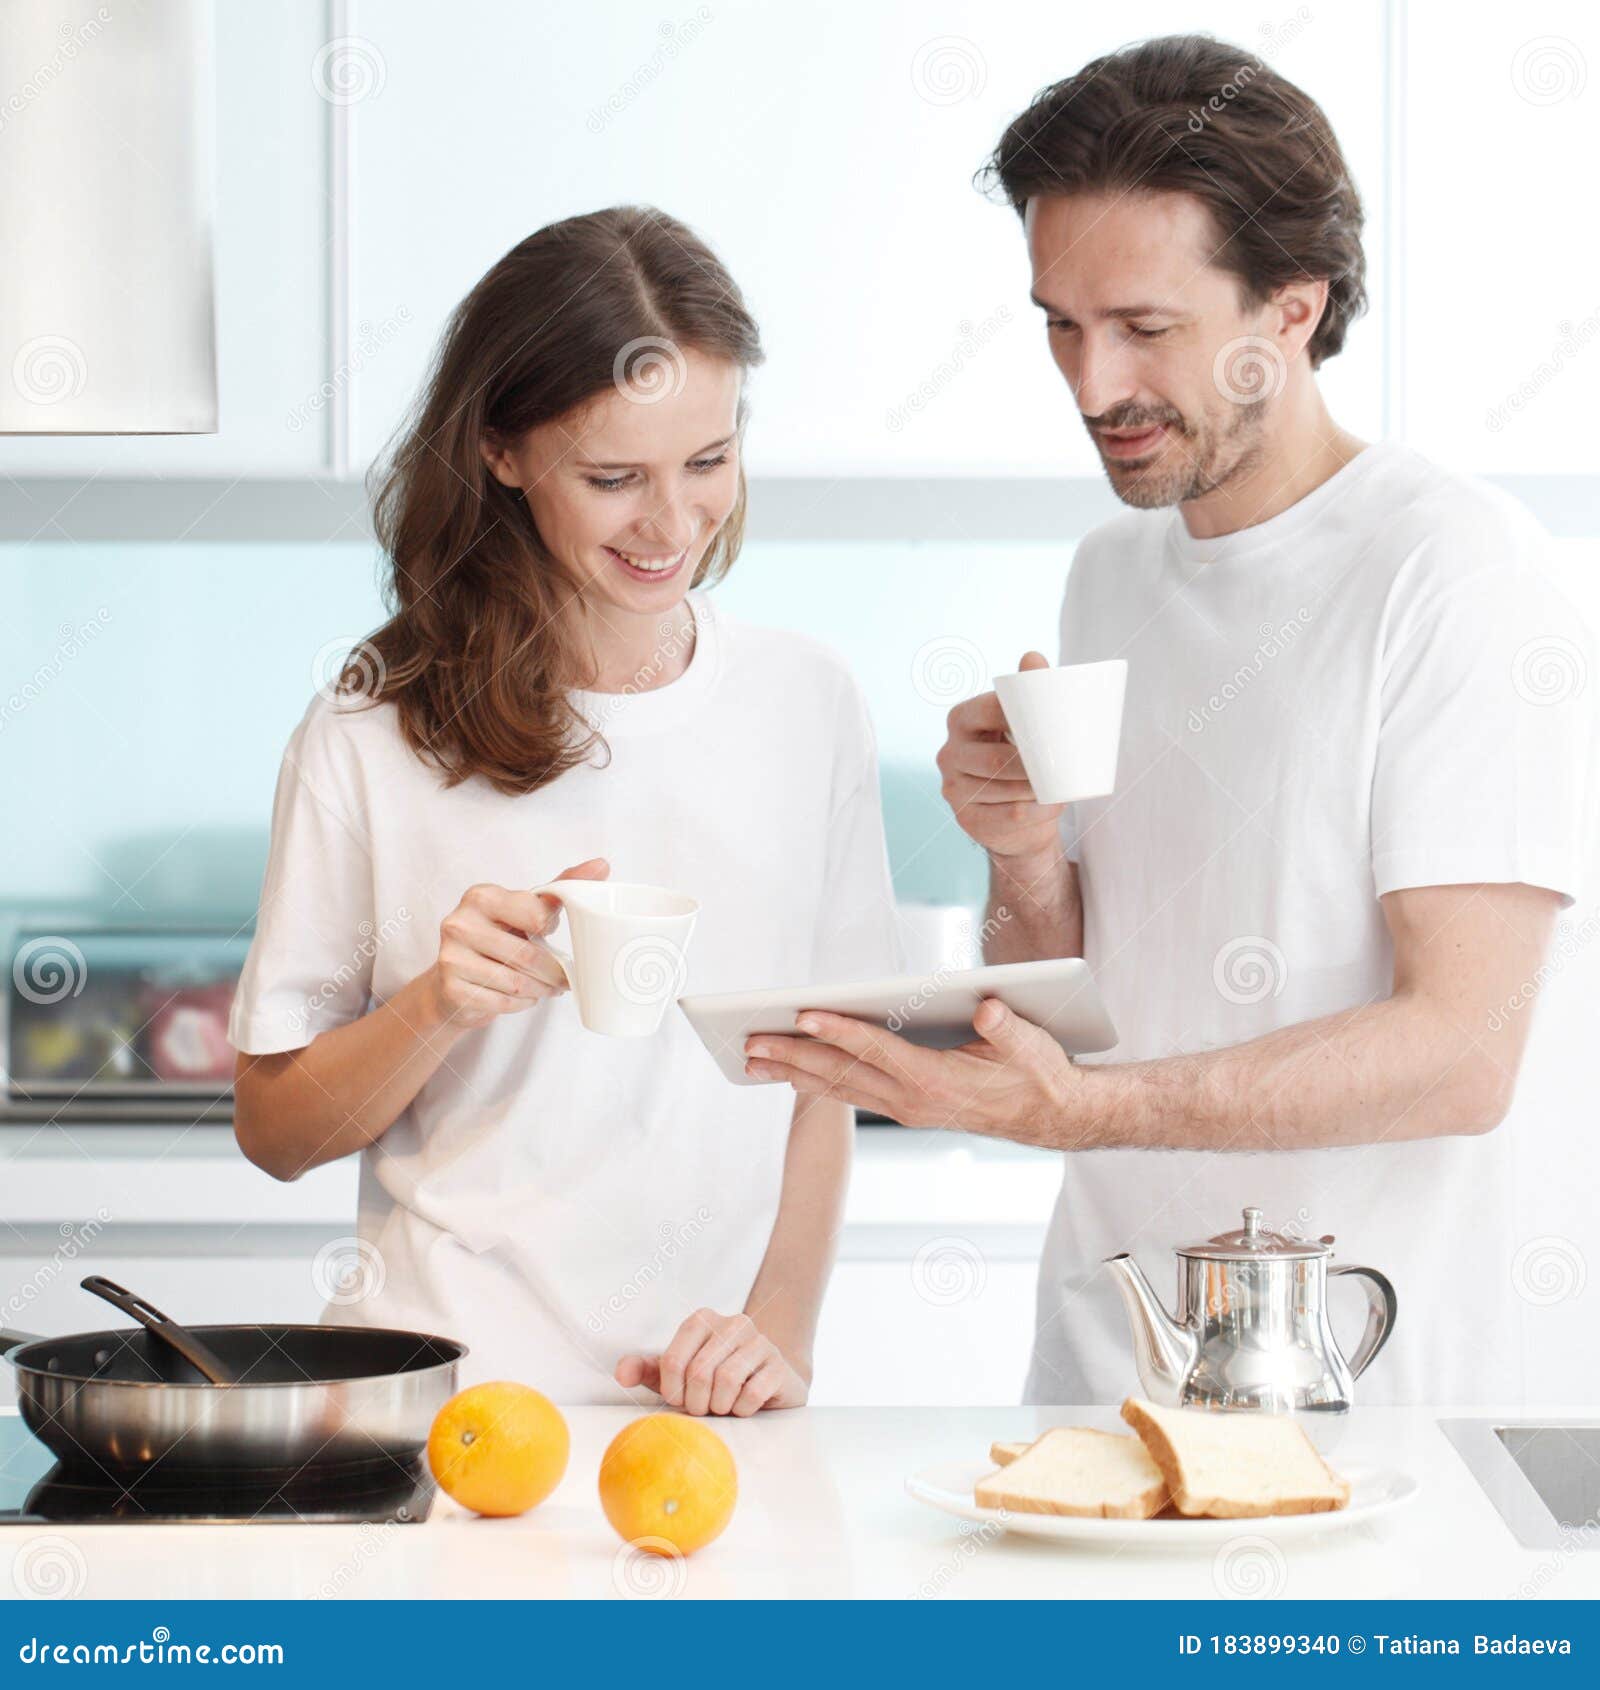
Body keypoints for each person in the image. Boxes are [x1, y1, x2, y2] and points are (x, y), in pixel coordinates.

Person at [744, 38, 1596, 1405]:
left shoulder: (1454, 574)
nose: (1092, 389)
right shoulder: (1113, 571)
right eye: (1060, 325)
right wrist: (1021, 853)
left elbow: (1463, 1049)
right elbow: (1086, 999)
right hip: (1108, 1366)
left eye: (1145, 329)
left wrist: (1084, 1114)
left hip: (1358, 1389)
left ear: (1292, 311)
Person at [229, 206, 899, 1414]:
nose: (672, 523)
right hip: (448, 1405)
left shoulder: (809, 701)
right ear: (500, 451)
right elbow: (275, 1130)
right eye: (611, 478)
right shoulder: (374, 729)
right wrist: (438, 1005)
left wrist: (777, 1332)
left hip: (710, 1415)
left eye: (708, 461)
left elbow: (828, 1074)